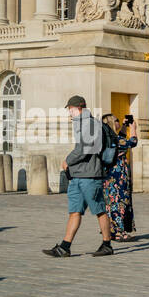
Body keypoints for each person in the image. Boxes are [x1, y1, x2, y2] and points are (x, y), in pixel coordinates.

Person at [42, 96, 114, 258]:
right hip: (77, 175)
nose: (69, 113)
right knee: (75, 211)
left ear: (79, 108)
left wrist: (67, 160)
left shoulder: (91, 124)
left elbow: (85, 148)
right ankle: (64, 247)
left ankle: (107, 244)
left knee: (99, 210)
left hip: (90, 176)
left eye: (71, 109)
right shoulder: (81, 124)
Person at [103, 113, 138, 242]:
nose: (119, 121)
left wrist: (124, 126)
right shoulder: (116, 140)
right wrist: (133, 128)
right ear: (112, 123)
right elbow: (132, 142)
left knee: (111, 203)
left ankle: (111, 231)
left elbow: (121, 138)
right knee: (119, 202)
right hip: (118, 176)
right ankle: (119, 233)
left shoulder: (109, 138)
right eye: (117, 120)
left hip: (108, 176)